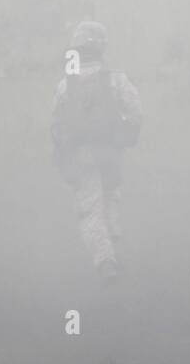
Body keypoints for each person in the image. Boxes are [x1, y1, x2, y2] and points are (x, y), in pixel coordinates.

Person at [50, 21, 142, 283]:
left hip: (81, 155)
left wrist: (63, 152)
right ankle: (115, 247)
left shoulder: (65, 85)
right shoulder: (116, 79)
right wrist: (125, 137)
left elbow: (56, 124)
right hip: (111, 151)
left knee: (90, 208)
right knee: (111, 196)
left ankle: (105, 261)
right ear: (102, 47)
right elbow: (136, 112)